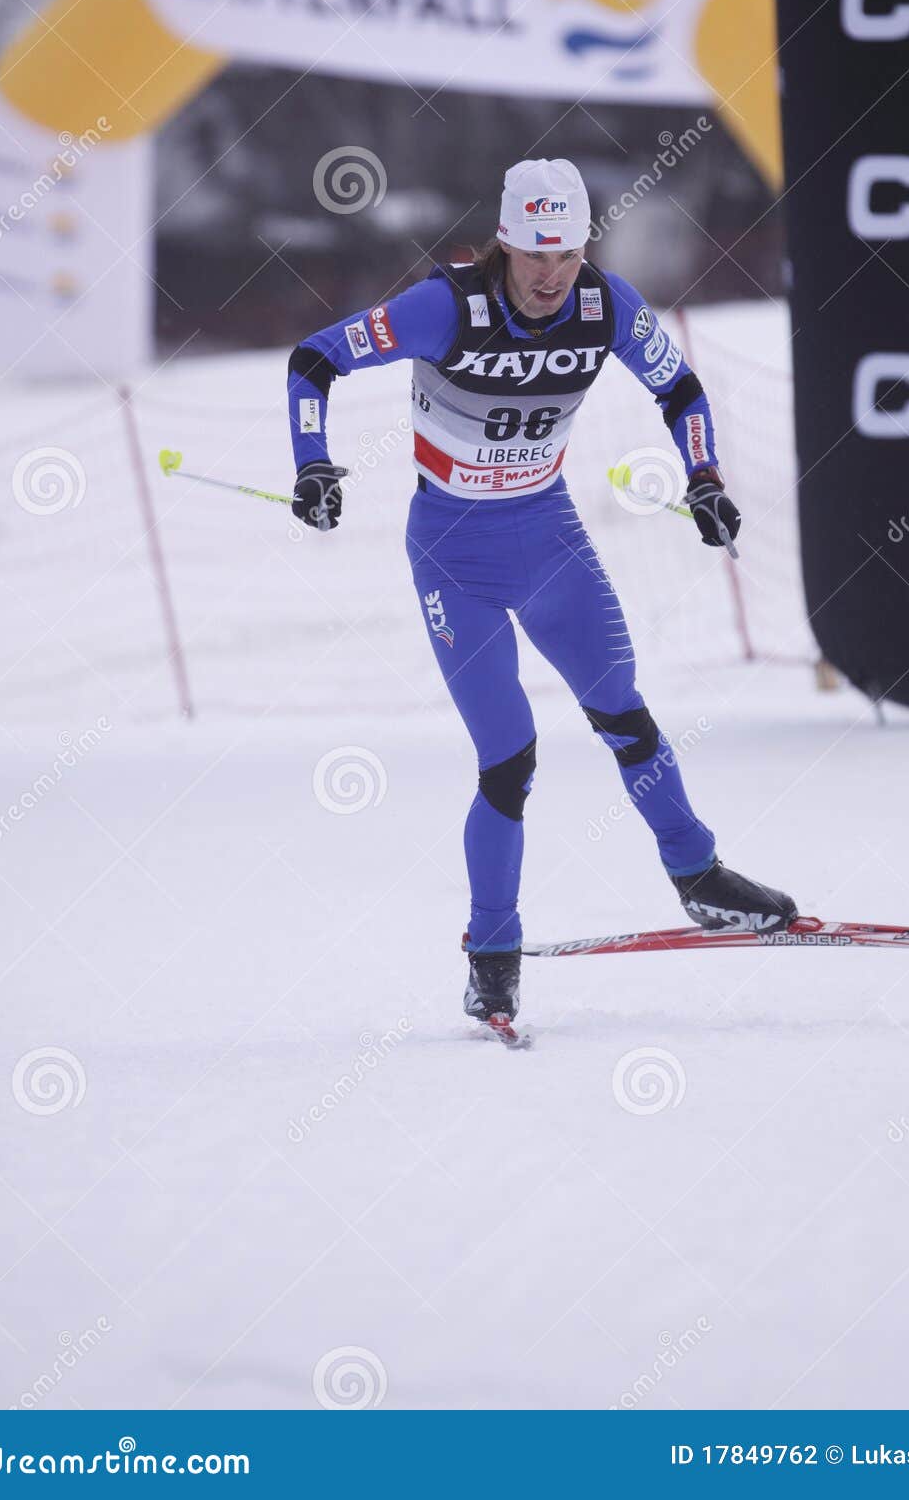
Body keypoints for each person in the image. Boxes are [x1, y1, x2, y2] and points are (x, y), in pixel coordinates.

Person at [287, 159, 796, 1029]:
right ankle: (491, 953)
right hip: (455, 558)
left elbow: (679, 389)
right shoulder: (443, 307)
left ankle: (699, 876)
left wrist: (703, 478)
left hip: (549, 539)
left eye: (565, 252)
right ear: (504, 243)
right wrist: (313, 467)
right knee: (509, 756)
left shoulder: (605, 305)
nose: (550, 274)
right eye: (533, 253)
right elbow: (313, 360)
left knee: (622, 710)